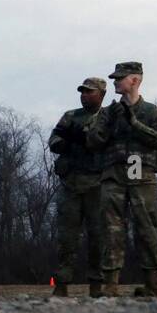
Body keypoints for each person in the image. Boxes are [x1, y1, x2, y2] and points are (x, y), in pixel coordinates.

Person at [84, 61, 157, 296]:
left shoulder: (153, 112)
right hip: (114, 175)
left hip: (143, 175)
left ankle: (153, 281)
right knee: (111, 228)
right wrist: (109, 124)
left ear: (134, 80)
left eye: (120, 78)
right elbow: (92, 141)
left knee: (147, 227)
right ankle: (110, 283)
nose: (115, 82)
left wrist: (135, 124)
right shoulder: (109, 113)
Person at [49, 78, 106, 296]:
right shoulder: (71, 116)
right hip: (71, 184)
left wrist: (87, 138)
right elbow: (54, 139)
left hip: (98, 184)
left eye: (89, 92)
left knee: (98, 236)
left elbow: (107, 142)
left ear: (101, 94)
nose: (84, 95)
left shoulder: (108, 117)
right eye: (82, 92)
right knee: (67, 236)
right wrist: (65, 143)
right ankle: (62, 283)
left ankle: (96, 284)